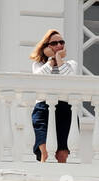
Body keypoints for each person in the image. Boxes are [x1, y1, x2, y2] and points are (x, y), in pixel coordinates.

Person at [30, 29, 78, 162]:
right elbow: (38, 80)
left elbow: (70, 81)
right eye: (54, 43)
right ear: (46, 47)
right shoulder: (38, 65)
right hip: (43, 109)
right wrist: (51, 60)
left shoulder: (71, 65)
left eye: (61, 42)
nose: (59, 45)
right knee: (45, 153)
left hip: (65, 110)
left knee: (62, 155)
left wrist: (58, 59)